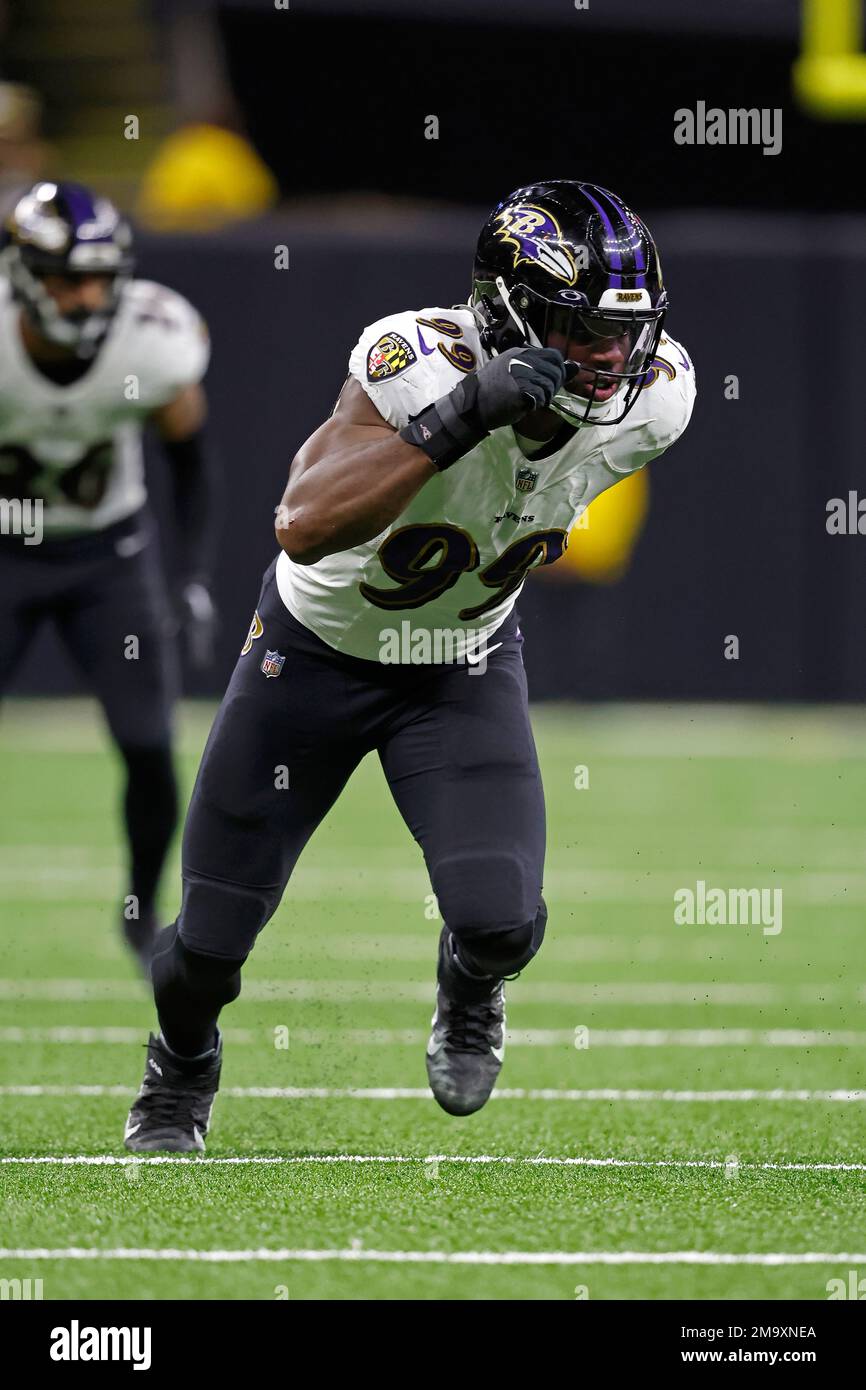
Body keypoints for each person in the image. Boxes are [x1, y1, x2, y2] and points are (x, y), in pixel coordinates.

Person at [124, 179, 695, 1152]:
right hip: (310, 658)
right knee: (204, 950)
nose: (608, 355)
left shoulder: (658, 401)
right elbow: (301, 523)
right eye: (579, 326)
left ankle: (467, 985)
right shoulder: (421, 361)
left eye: (622, 331)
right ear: (509, 311)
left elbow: (530, 503)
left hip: (459, 664)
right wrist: (461, 416)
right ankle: (181, 1064)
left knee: (499, 921)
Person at [0, 180, 217, 972]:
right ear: (23, 272)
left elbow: (190, 463)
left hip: (107, 554)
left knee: (148, 742)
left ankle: (140, 904)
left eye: (97, 275)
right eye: (66, 275)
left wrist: (191, 575)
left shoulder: (153, 341)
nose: (85, 294)